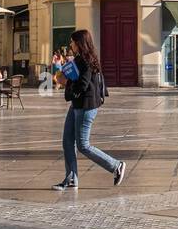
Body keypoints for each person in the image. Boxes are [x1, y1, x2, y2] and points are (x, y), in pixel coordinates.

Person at [53, 29, 125, 190]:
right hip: (77, 105)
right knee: (67, 141)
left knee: (83, 145)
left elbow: (82, 85)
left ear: (79, 43)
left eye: (72, 41)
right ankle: (71, 178)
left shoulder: (86, 61)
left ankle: (116, 166)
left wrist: (65, 83)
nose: (70, 44)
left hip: (85, 106)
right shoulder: (80, 59)